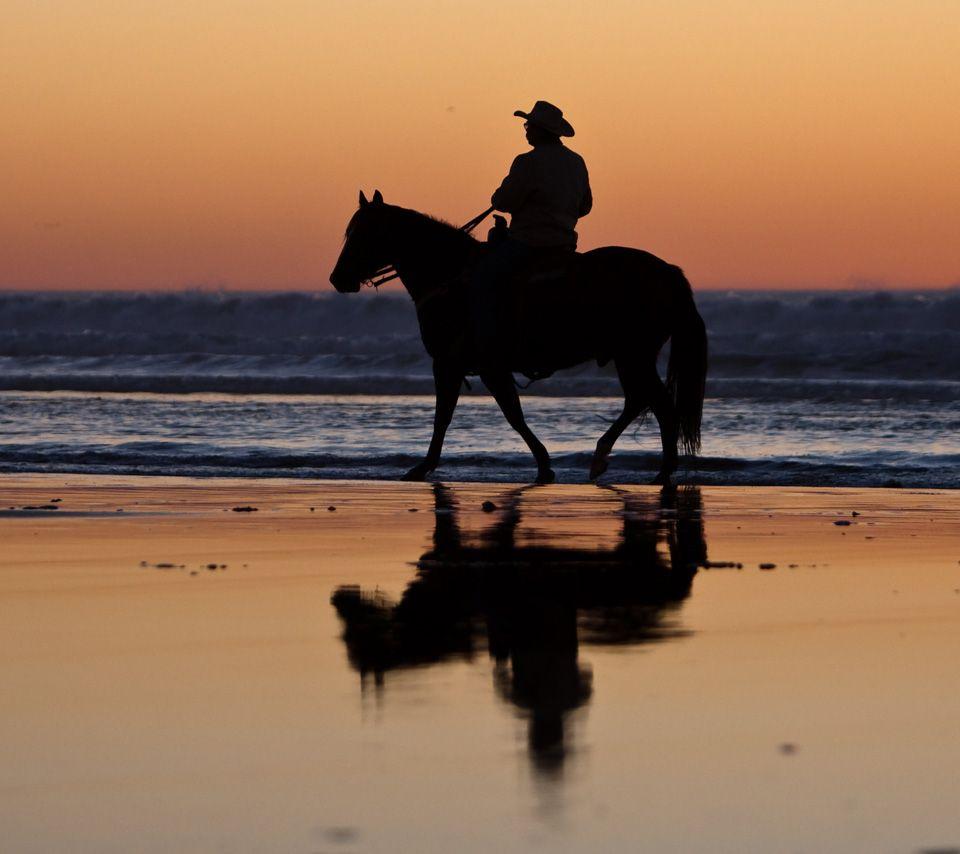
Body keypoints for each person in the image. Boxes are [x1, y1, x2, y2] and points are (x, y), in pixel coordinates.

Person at [467, 101, 593, 370]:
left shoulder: (528, 162)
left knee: (482, 277)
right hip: (564, 245)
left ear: (540, 130)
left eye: (528, 126)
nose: (526, 130)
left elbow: (504, 201)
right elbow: (585, 206)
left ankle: (489, 346)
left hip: (528, 243)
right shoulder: (577, 162)